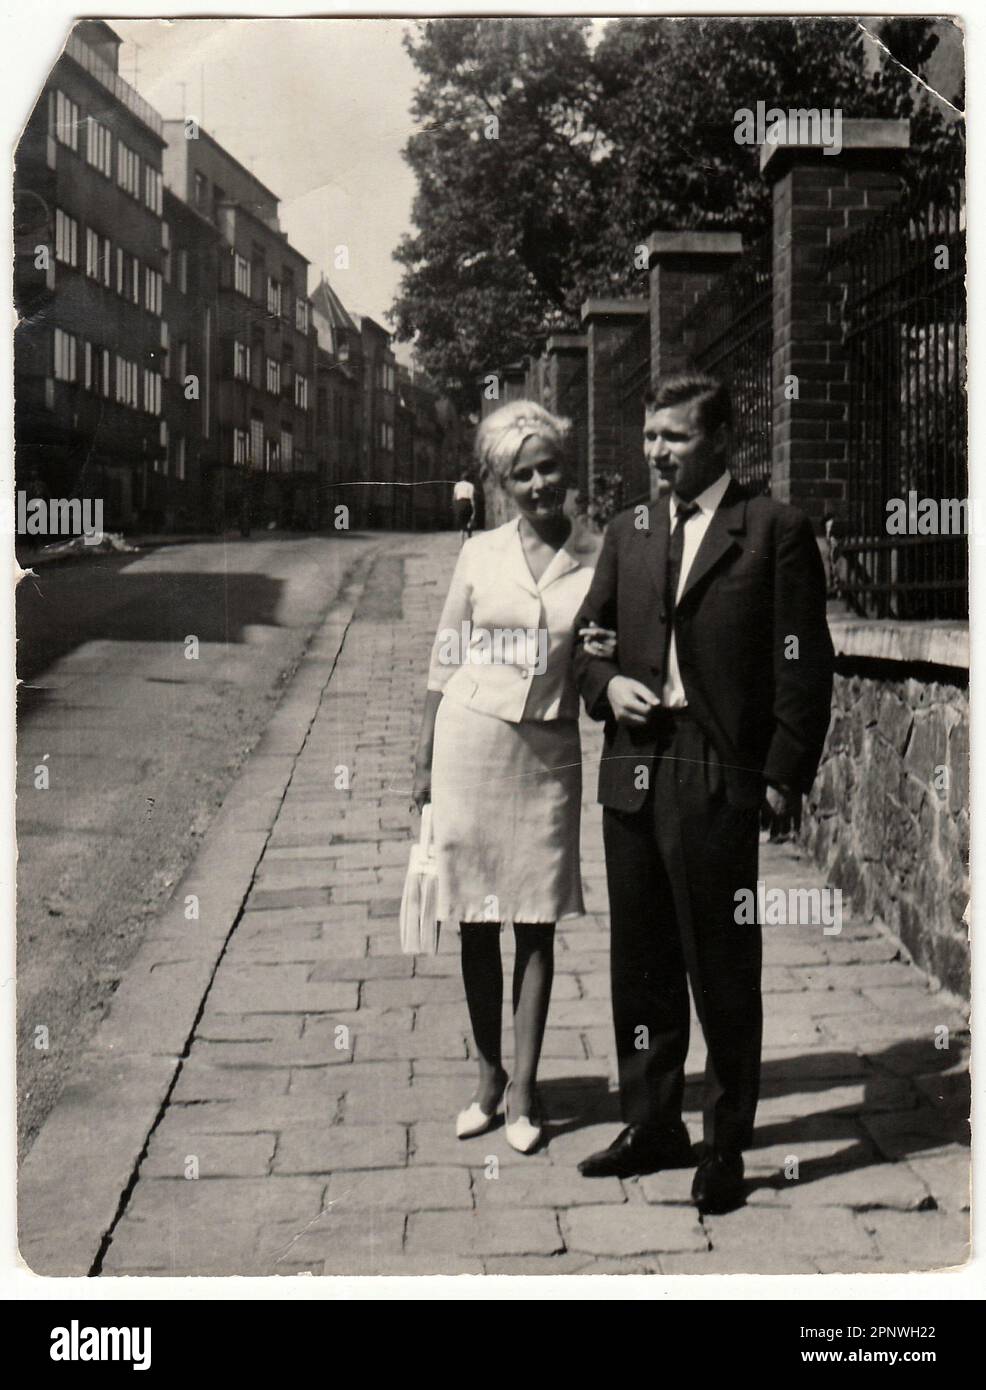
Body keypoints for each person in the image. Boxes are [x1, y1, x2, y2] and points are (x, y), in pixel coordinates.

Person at [572, 373, 834, 1212]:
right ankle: (653, 1123)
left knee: (721, 963)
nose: (657, 452)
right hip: (633, 766)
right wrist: (606, 685)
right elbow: (587, 640)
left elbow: (803, 667)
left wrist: (784, 775)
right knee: (640, 959)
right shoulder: (629, 530)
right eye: (651, 436)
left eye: (674, 438)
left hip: (716, 768)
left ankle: (725, 1141)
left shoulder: (772, 530)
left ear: (719, 440)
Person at [413, 400, 614, 1153]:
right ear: (501, 482)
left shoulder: (598, 555)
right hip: (471, 741)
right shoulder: (480, 554)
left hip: (548, 753)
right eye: (520, 473)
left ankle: (526, 1091)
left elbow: (602, 649)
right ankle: (488, 1076)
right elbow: (444, 652)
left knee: (535, 917)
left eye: (548, 467)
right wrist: (423, 752)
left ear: (569, 468)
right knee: (474, 916)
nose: (537, 484)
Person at [452, 472, 476, 542]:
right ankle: (470, 542)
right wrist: (474, 509)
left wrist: (455, 506)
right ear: (469, 479)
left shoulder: (457, 485)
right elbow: (472, 498)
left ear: (461, 478)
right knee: (469, 523)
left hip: (459, 504)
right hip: (467, 503)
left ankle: (461, 544)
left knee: (462, 526)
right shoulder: (471, 485)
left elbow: (455, 497)